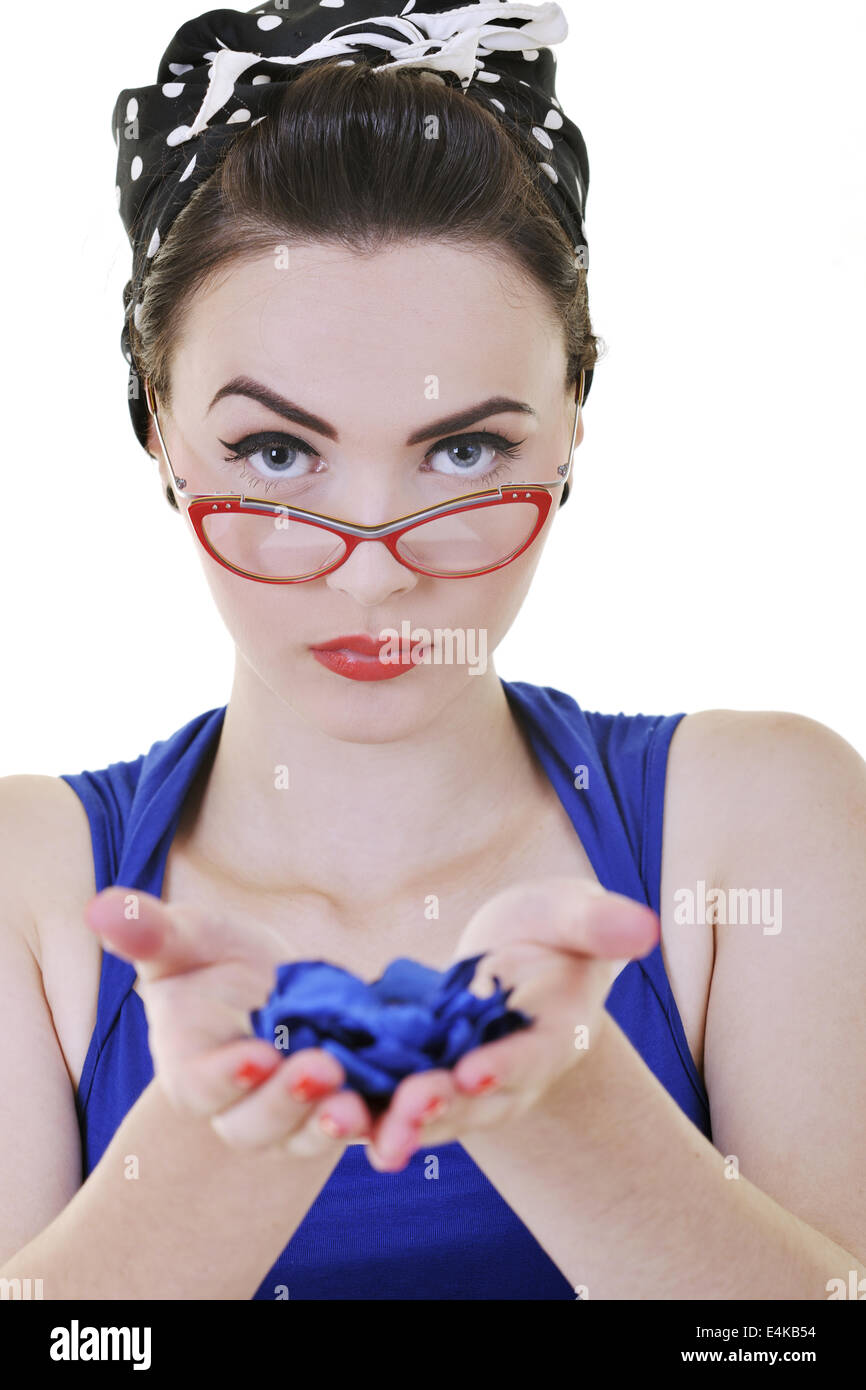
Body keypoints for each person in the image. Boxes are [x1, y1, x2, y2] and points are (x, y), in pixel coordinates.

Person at [1, 0, 864, 1302]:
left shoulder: (763, 818)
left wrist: (570, 1110)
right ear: (158, 431)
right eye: (275, 452)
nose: (374, 560)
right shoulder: (28, 893)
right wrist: (214, 1144)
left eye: (463, 451)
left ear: (570, 425)